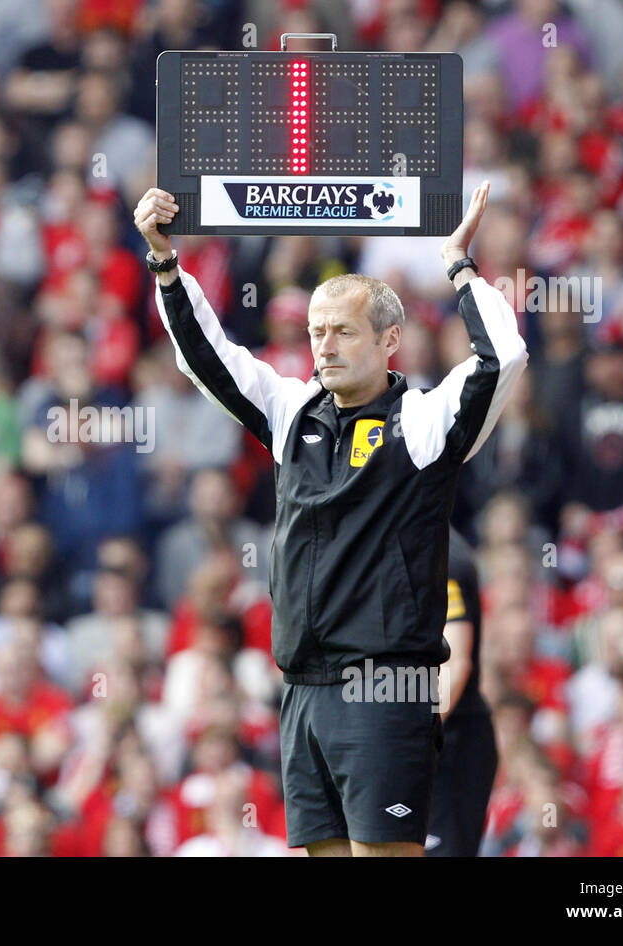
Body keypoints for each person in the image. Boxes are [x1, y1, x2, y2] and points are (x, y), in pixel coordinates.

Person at [133, 181, 528, 856]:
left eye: (343, 330)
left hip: (386, 684)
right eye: (318, 332)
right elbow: (208, 361)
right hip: (303, 687)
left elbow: (503, 357)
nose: (325, 345)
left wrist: (461, 267)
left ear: (391, 339)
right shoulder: (291, 414)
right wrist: (166, 264)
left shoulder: (425, 421)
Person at [425, 526, 499, 857]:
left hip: (452, 742)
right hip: (418, 741)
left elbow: (454, 667)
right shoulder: (400, 542)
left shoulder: (444, 556)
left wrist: (412, 735)